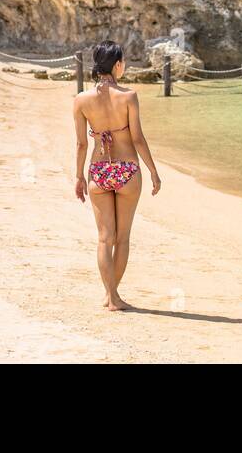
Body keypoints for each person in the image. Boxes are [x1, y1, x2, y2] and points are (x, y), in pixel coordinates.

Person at [74, 41, 161, 311]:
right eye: (123, 62)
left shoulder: (81, 100)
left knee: (104, 238)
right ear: (117, 64)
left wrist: (78, 177)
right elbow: (137, 139)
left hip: (99, 172)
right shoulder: (129, 96)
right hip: (127, 171)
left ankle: (110, 296)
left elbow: (81, 144)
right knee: (122, 238)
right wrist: (153, 170)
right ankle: (114, 296)